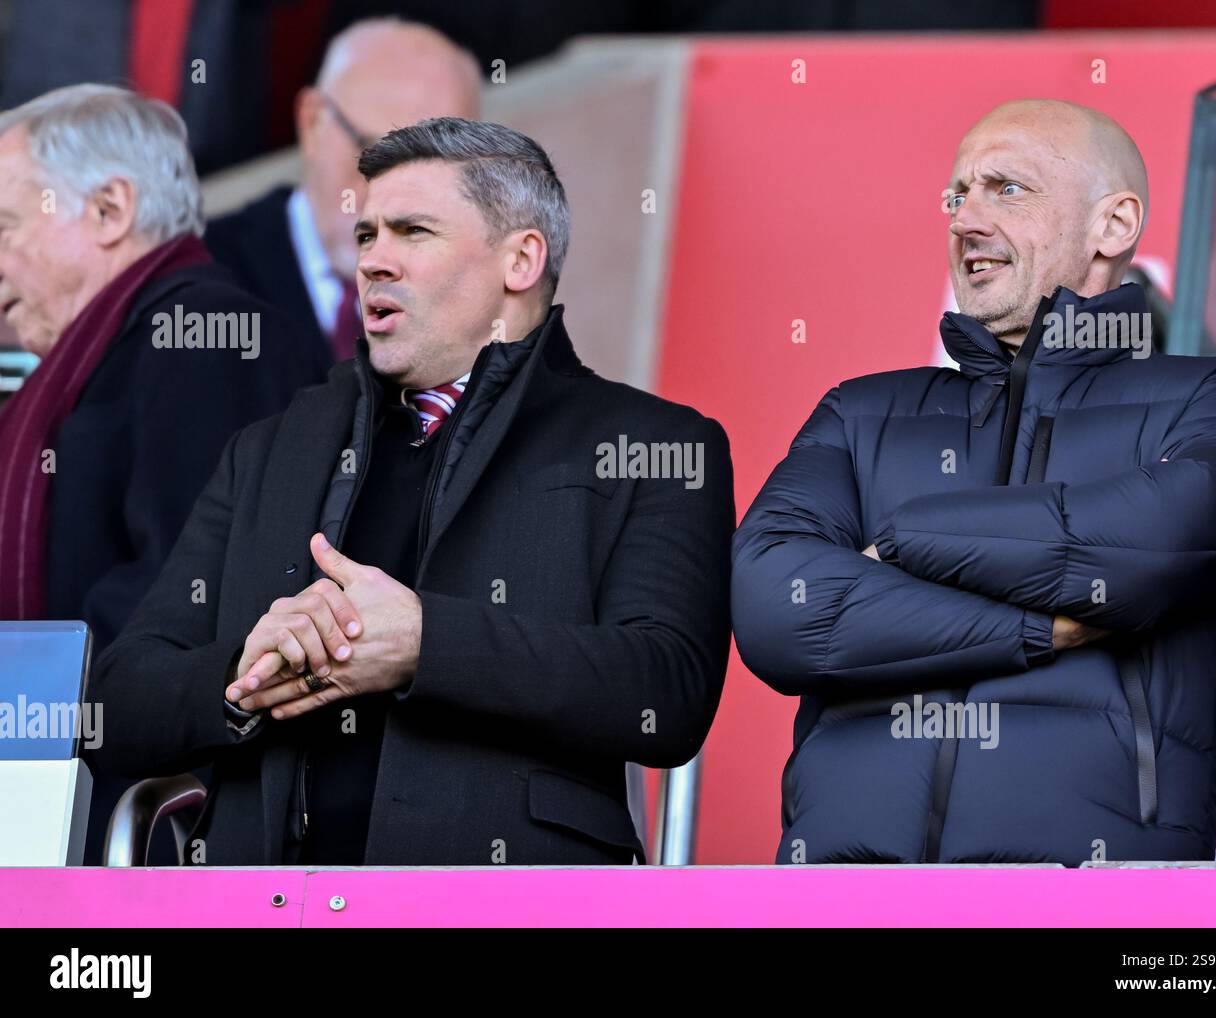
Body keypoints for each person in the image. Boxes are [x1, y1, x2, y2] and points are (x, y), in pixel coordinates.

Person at [89, 117, 734, 866]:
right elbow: (119, 704)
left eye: (412, 232)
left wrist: (428, 646)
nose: (373, 262)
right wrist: (247, 670)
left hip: (511, 914)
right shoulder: (267, 450)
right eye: (365, 236)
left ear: (520, 259)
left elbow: (668, 691)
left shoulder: (654, 444)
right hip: (257, 905)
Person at [732, 99, 1216, 865]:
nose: (966, 221)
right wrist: (1034, 627)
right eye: (957, 195)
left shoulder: (1214, 394)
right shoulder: (862, 410)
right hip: (844, 895)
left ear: (1114, 226)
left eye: (1007, 189)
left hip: (1096, 904)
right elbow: (775, 607)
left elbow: (1152, 550)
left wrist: (895, 545)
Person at [0, 84, 329, 861]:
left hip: (142, 817)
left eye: (7, 226)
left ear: (110, 211)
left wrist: (27, 700)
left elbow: (179, 598)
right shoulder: (109, 353)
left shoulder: (206, 341)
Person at [204, 17, 481, 362]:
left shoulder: (478, 301)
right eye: (371, 150)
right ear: (312, 122)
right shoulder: (197, 284)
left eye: (431, 166)